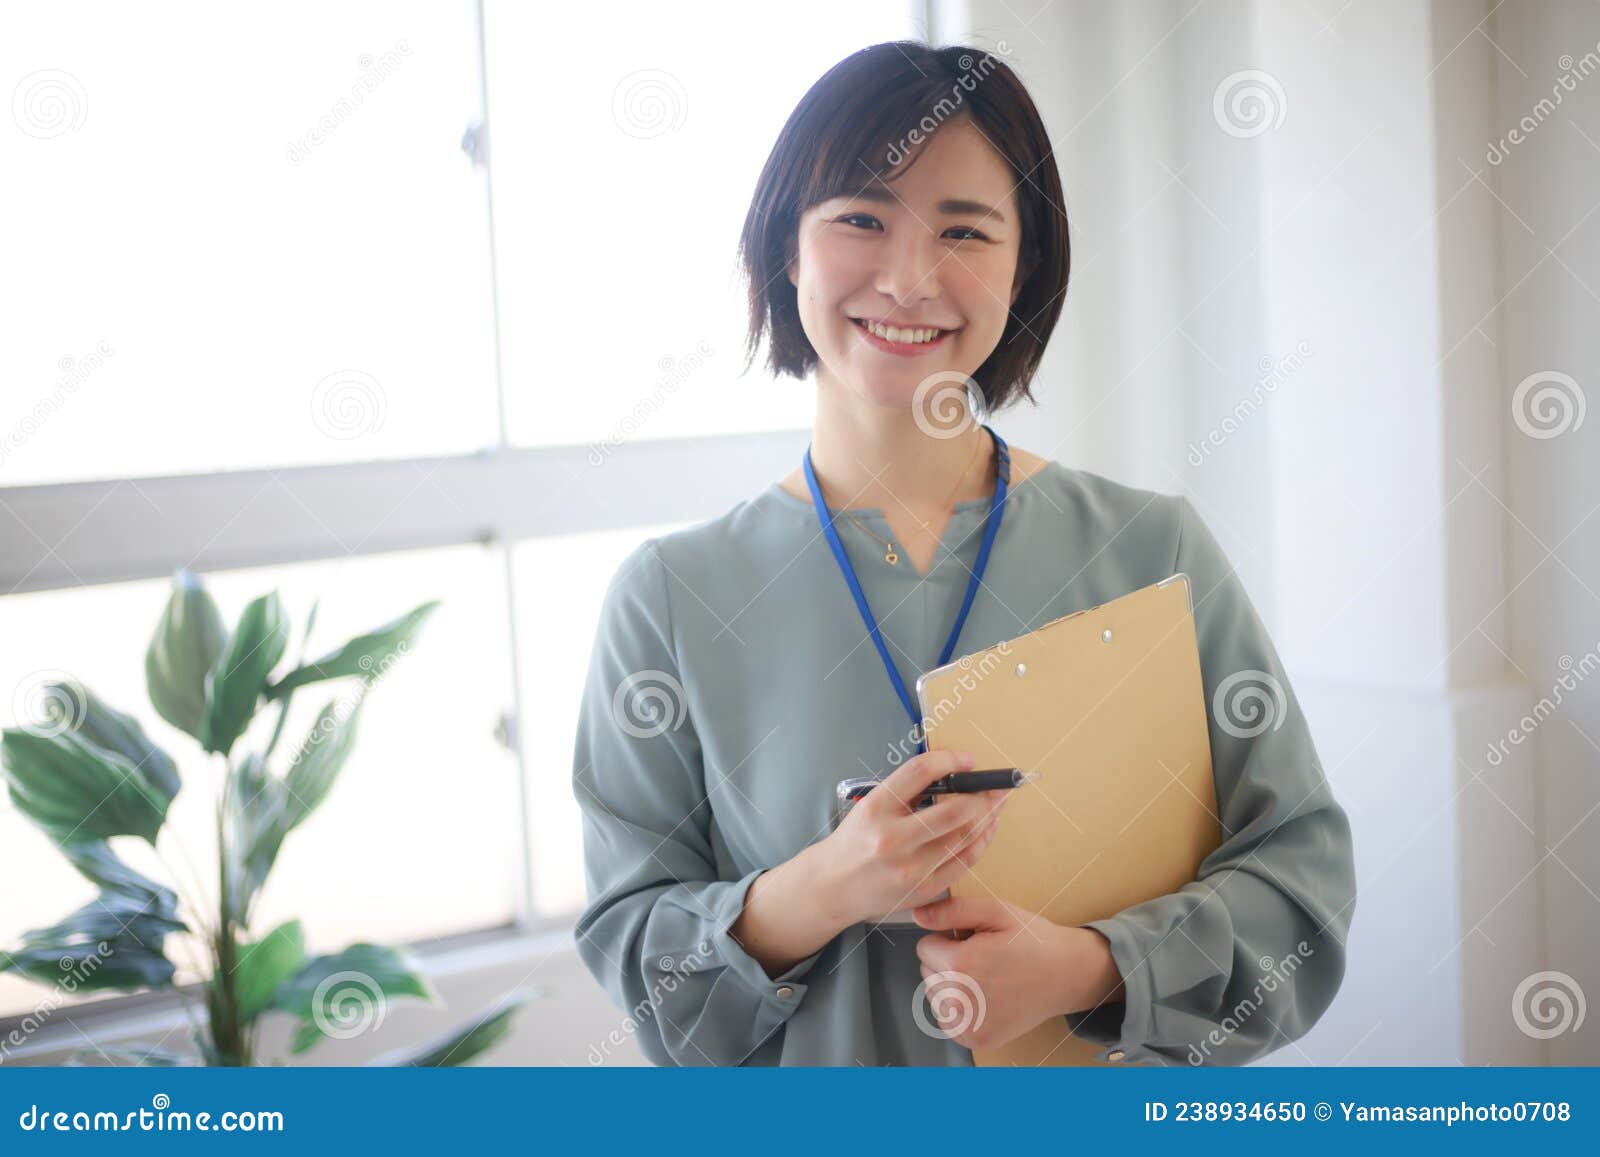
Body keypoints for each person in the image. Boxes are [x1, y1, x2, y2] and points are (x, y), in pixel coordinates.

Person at [571, 40, 1355, 1066]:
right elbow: (637, 971)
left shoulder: (1149, 551)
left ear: (1023, 266)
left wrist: (1088, 966)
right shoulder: (672, 597)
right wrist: (820, 890)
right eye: (859, 217)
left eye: (965, 229)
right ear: (783, 249)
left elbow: (1300, 887)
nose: (908, 277)